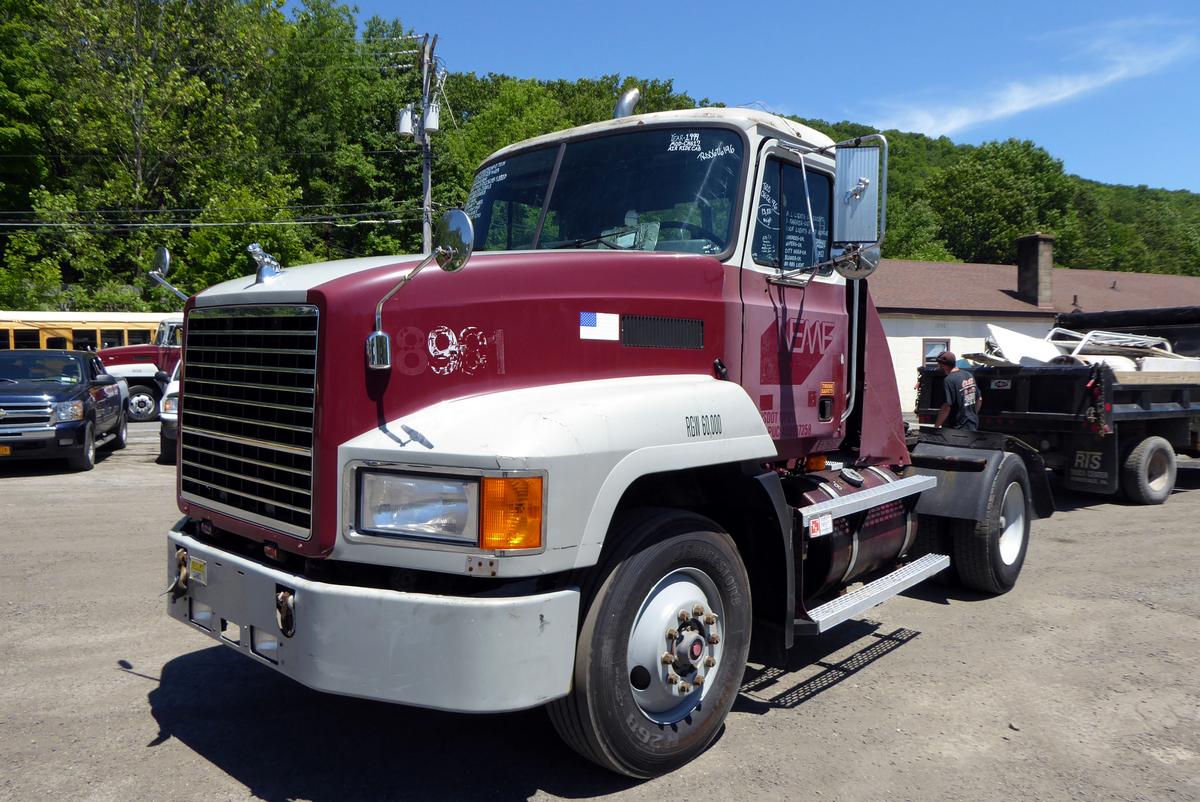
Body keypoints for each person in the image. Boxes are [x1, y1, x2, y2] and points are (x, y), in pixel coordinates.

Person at [933, 350, 981, 431]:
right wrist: (973, 414)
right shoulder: (968, 375)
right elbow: (979, 399)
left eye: (939, 364)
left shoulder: (949, 380)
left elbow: (946, 407)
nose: (938, 366)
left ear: (943, 365)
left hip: (958, 427)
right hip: (973, 423)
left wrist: (936, 427)